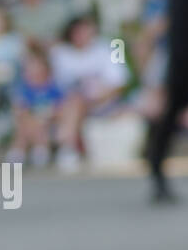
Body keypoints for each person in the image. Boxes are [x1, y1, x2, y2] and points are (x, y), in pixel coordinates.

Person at [49, 15, 128, 171]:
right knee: (74, 102)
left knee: (76, 102)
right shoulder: (59, 52)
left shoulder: (111, 47)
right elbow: (56, 85)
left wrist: (97, 98)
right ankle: (69, 145)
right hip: (69, 104)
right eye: (78, 32)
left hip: (103, 102)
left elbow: (119, 83)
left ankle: (67, 146)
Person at [8, 45, 63, 166]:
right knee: (25, 121)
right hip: (31, 121)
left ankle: (33, 149)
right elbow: (19, 107)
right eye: (30, 69)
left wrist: (48, 114)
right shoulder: (23, 89)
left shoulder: (53, 88)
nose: (34, 72)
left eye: (38, 68)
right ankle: (28, 148)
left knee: (37, 122)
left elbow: (60, 106)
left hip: (49, 121)